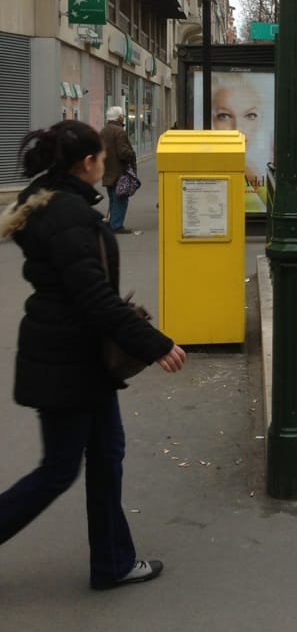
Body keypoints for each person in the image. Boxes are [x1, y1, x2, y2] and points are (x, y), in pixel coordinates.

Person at [0, 120, 186, 589]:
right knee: (59, 469)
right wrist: (156, 344)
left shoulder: (56, 203)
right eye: (101, 159)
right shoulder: (68, 216)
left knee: (107, 457)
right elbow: (93, 298)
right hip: (66, 360)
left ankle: (112, 562)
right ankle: (112, 561)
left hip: (80, 361)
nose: (104, 165)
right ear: (87, 163)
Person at [211, 71, 274, 214]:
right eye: (224, 116)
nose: (238, 128)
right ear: (212, 120)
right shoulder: (206, 164)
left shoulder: (253, 165)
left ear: (260, 119)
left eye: (250, 115)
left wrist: (254, 177)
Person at [100, 105, 136, 233]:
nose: (123, 118)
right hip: (119, 171)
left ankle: (112, 222)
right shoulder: (119, 131)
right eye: (122, 116)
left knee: (113, 198)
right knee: (121, 198)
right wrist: (132, 153)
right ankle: (117, 225)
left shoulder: (104, 130)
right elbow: (123, 152)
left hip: (107, 170)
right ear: (119, 118)